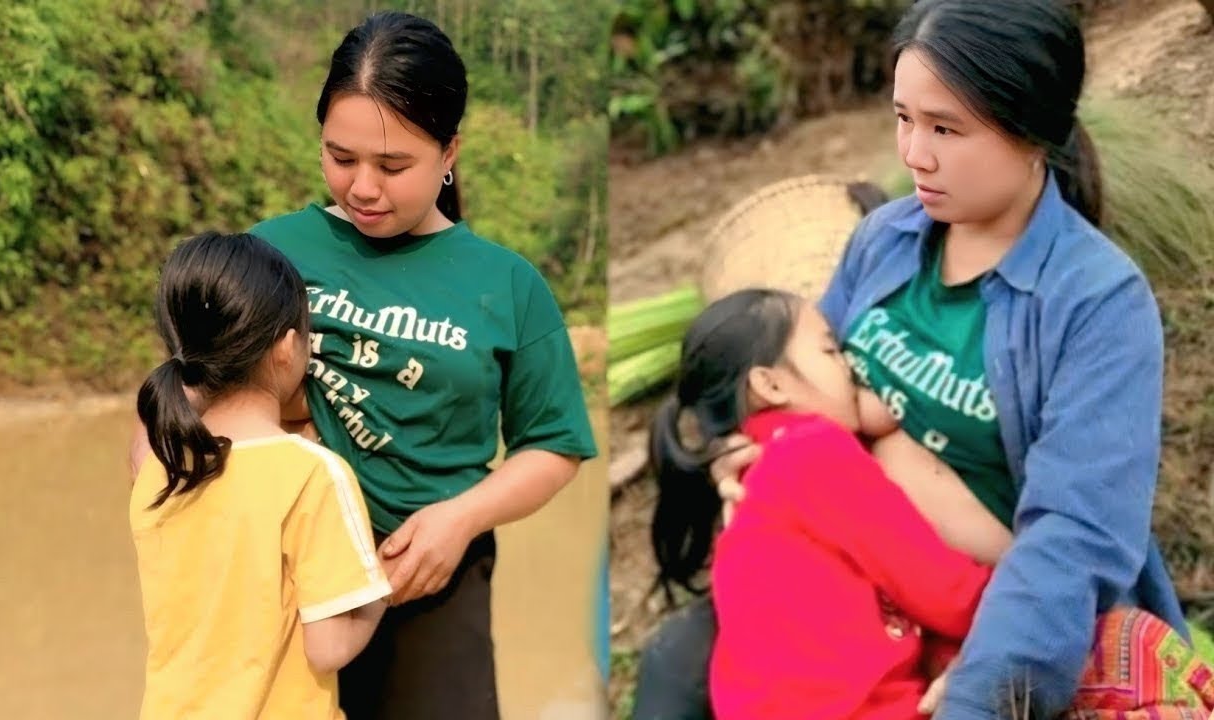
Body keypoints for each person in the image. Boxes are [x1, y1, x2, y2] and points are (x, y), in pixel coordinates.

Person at [635, 1, 1196, 718]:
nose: (913, 155)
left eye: (944, 129)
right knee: (674, 667)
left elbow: (1075, 539)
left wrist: (983, 680)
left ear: (1032, 134)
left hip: (999, 609)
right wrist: (739, 462)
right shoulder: (889, 239)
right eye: (904, 118)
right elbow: (807, 387)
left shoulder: (1096, 304)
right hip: (858, 584)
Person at [247, 11, 598, 719]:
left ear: (449, 153)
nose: (363, 188)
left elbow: (555, 445)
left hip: (427, 580)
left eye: (393, 165)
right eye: (340, 157)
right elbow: (199, 394)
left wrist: (460, 519)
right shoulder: (268, 254)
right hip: (285, 575)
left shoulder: (507, 285)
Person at [651, 288, 993, 719]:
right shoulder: (813, 450)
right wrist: (1026, 595)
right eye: (831, 350)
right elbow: (946, 594)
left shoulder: (757, 466)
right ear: (770, 384)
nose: (850, 364)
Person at [130, 232, 390, 719]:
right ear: (289, 348)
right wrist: (380, 586)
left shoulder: (158, 468)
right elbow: (329, 647)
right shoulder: (313, 475)